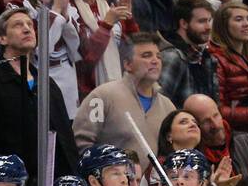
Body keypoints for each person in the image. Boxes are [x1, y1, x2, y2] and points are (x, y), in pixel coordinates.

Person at [0, 5, 76, 186]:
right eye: (18, 25)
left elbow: (64, 138)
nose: (27, 29)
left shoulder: (47, 83)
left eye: (30, 25)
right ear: (2, 39)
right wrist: (2, 180)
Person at [73, 33, 176, 168]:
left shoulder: (168, 107)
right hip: (110, 185)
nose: (155, 61)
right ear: (127, 64)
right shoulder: (102, 96)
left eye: (158, 56)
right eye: (146, 55)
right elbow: (80, 144)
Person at [10, 0, 81, 115]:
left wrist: (63, 11)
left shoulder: (63, 2)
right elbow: (40, 51)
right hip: (40, 80)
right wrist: (56, 9)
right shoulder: (19, 5)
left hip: (68, 81)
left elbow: (76, 47)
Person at [67, 0, 137, 98]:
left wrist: (128, 20)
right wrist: (107, 24)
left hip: (118, 87)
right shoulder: (70, 10)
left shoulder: (107, 6)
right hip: (87, 92)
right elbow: (86, 57)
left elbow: (132, 46)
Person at [159, 0, 219, 109]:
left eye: (209, 20)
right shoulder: (172, 57)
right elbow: (160, 104)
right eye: (201, 21)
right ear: (184, 23)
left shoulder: (206, 57)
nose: (208, 27)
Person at [209, 0, 248, 136]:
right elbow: (218, 109)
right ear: (224, 25)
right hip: (234, 134)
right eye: (239, 19)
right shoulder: (217, 59)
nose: (246, 24)